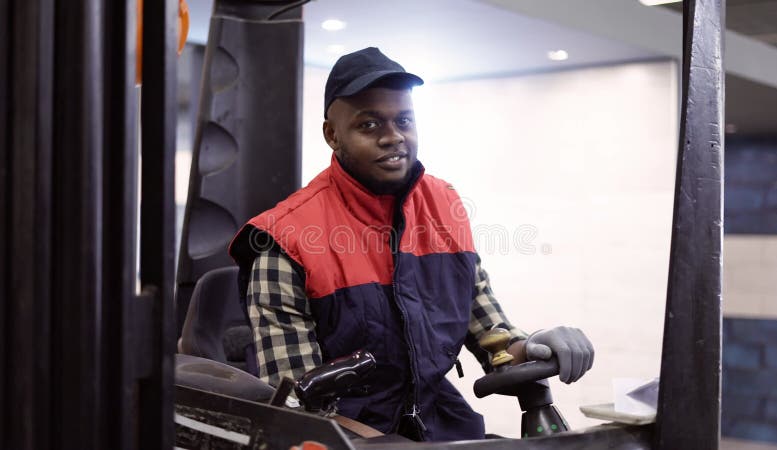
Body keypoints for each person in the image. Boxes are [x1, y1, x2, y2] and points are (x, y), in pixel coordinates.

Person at [228, 47, 594, 441]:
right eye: (369, 125)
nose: (394, 137)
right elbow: (296, 409)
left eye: (404, 120)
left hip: (441, 427)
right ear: (332, 135)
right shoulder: (282, 239)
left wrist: (533, 346)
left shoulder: (445, 205)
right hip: (345, 439)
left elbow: (492, 334)